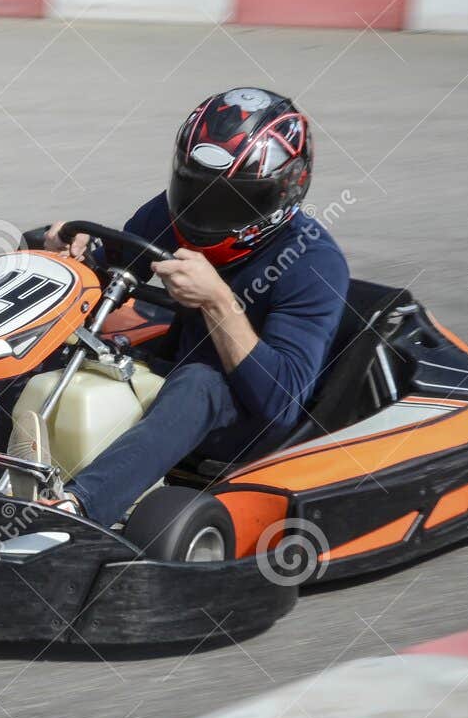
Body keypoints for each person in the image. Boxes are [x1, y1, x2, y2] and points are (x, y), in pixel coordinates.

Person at [41, 87, 349, 523]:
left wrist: (219, 302)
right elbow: (112, 271)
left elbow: (280, 404)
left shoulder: (313, 263)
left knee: (200, 382)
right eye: (195, 190)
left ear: (284, 191)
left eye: (231, 199)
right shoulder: (172, 216)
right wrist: (73, 253)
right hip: (177, 378)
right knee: (50, 345)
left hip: (244, 415)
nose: (205, 214)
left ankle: (75, 511)